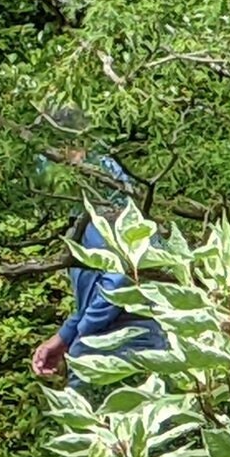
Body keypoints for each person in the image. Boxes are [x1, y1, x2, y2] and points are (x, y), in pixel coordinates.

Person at [28, 119, 168, 383]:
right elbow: (96, 291)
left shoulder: (111, 214)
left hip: (127, 345)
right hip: (120, 343)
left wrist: (83, 333)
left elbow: (119, 280)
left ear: (78, 149)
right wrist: (65, 337)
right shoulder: (88, 219)